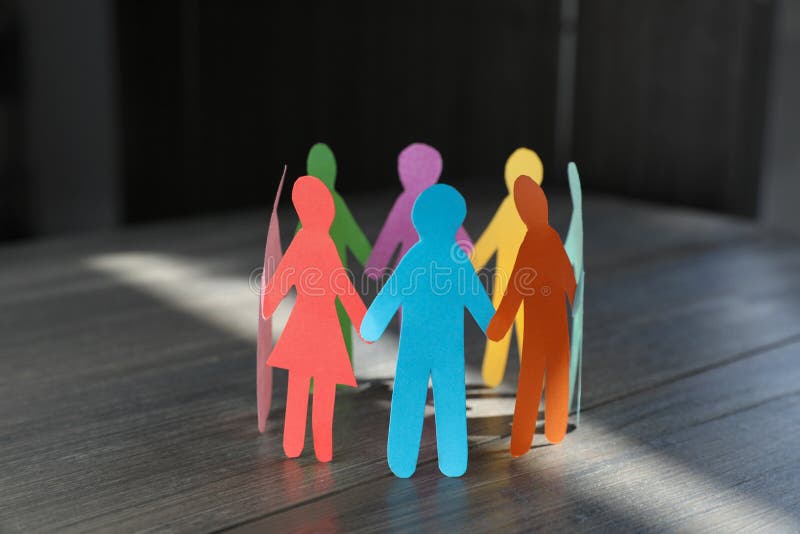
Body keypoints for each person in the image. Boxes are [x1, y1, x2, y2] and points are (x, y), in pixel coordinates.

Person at [361, 184, 495, 478]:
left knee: (409, 396)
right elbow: (477, 300)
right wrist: (492, 325)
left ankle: (403, 459)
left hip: (415, 347)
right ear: (455, 221)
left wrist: (372, 325)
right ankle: (452, 460)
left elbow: (390, 294)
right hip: (446, 348)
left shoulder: (416, 257)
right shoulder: (456, 259)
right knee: (450, 399)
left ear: (419, 220)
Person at [263, 176, 368, 462]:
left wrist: (269, 302)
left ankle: (297, 443)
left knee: (300, 387)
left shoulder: (305, 241)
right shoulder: (320, 242)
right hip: (323, 328)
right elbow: (342, 286)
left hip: (305, 327)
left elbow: (283, 278)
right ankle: (319, 448)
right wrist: (363, 323)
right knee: (321, 389)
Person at [487, 175, 576, 457]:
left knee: (533, 378)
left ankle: (524, 438)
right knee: (556, 373)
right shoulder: (550, 237)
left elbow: (516, 285)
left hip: (540, 325)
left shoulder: (534, 240)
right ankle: (553, 428)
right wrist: (575, 299)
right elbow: (566, 277)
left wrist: (500, 323)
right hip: (554, 323)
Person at [471, 147, 543, 388]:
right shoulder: (534, 208)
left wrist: (470, 266)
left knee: (507, 329)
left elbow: (489, 240)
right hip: (524, 283)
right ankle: (521, 377)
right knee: (520, 330)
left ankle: (498, 374)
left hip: (511, 283)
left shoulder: (514, 206)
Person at [365, 143, 472, 280]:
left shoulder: (412, 201)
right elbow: (458, 235)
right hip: (437, 268)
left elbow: (389, 235)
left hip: (411, 267)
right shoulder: (434, 200)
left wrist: (376, 266)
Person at [304, 143, 372, 359]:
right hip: (334, 276)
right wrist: (374, 264)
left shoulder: (313, 205)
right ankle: (333, 372)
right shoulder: (332, 203)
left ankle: (329, 372)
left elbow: (352, 235)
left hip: (315, 283)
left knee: (325, 327)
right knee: (335, 324)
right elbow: (355, 237)